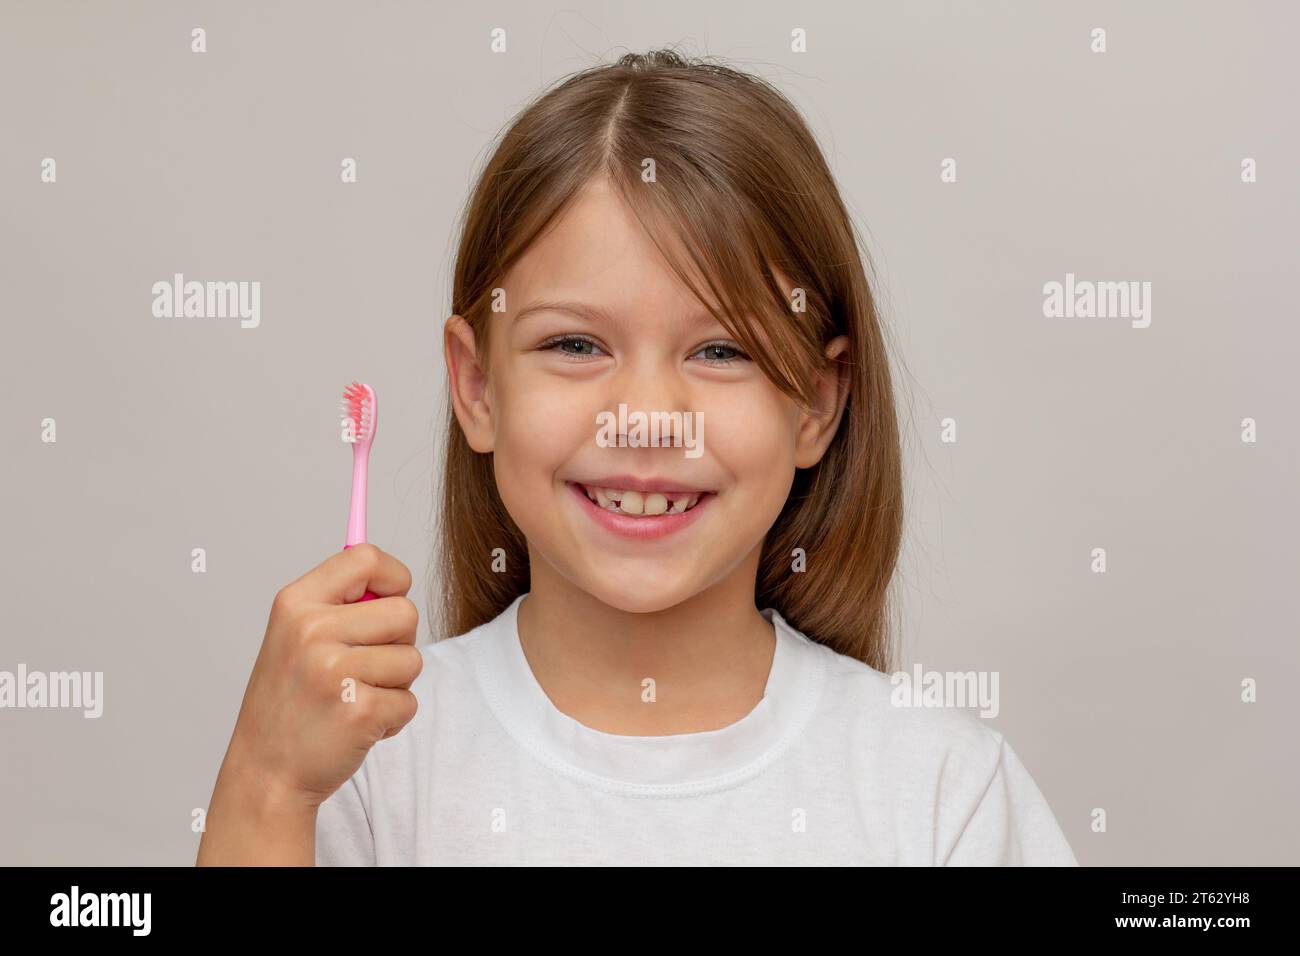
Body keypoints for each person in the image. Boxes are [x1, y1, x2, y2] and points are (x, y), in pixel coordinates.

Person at [197, 49, 1077, 866]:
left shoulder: (943, 797)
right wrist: (267, 786)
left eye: (722, 351)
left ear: (817, 403)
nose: (648, 421)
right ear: (476, 389)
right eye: (576, 345)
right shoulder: (359, 774)